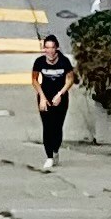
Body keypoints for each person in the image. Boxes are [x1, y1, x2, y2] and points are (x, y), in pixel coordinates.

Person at [31, 31, 74, 169]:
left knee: (57, 127)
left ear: (57, 48)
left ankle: (56, 149)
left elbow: (70, 79)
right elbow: (34, 79)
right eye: (47, 48)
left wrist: (61, 94)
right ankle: (49, 156)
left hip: (60, 98)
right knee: (47, 127)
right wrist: (42, 98)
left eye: (52, 48)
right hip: (45, 96)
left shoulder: (64, 61)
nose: (49, 51)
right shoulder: (39, 62)